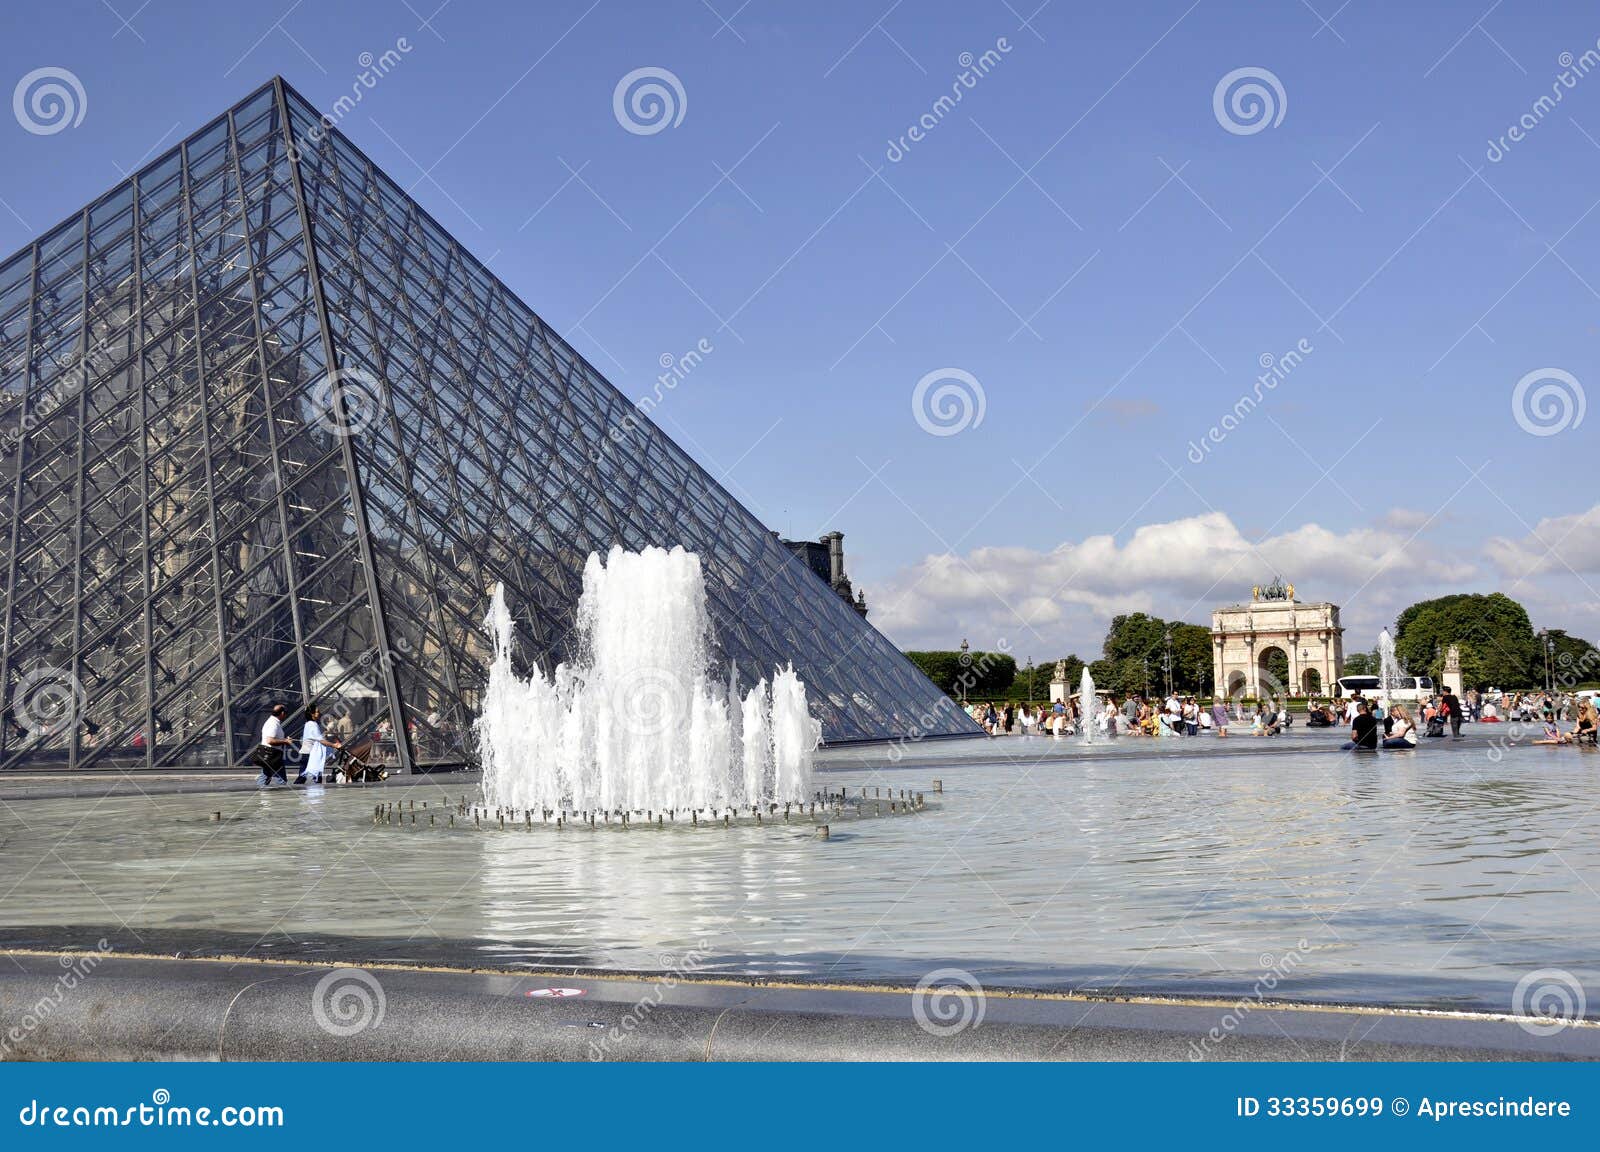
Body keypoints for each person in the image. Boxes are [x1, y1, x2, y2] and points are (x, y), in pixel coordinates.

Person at [295, 703, 342, 785]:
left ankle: (299, 789)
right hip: (311, 755)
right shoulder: (313, 725)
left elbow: (316, 738)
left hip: (307, 753)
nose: (319, 713)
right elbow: (321, 741)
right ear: (312, 714)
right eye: (317, 712)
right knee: (314, 777)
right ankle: (314, 791)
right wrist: (334, 745)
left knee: (304, 777)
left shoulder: (308, 723)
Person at [255, 703, 293, 787]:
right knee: (281, 779)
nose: (286, 715)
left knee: (265, 776)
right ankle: (282, 793)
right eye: (286, 713)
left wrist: (284, 740)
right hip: (272, 754)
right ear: (282, 713)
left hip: (268, 753)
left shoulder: (272, 722)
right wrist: (285, 741)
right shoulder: (273, 724)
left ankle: (261, 792)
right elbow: (270, 740)